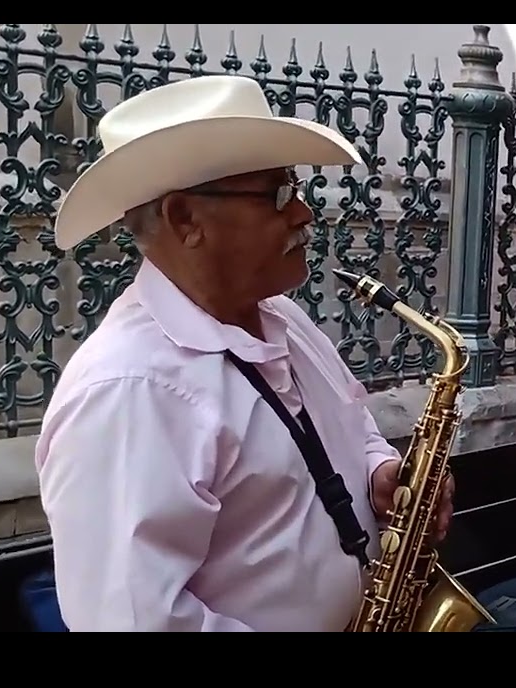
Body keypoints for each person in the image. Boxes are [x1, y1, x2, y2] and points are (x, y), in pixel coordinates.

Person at [34, 75, 454, 632]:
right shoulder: (128, 389)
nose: (304, 214)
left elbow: (352, 427)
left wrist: (379, 471)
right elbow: (133, 621)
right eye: (278, 194)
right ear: (185, 219)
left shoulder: (285, 319)